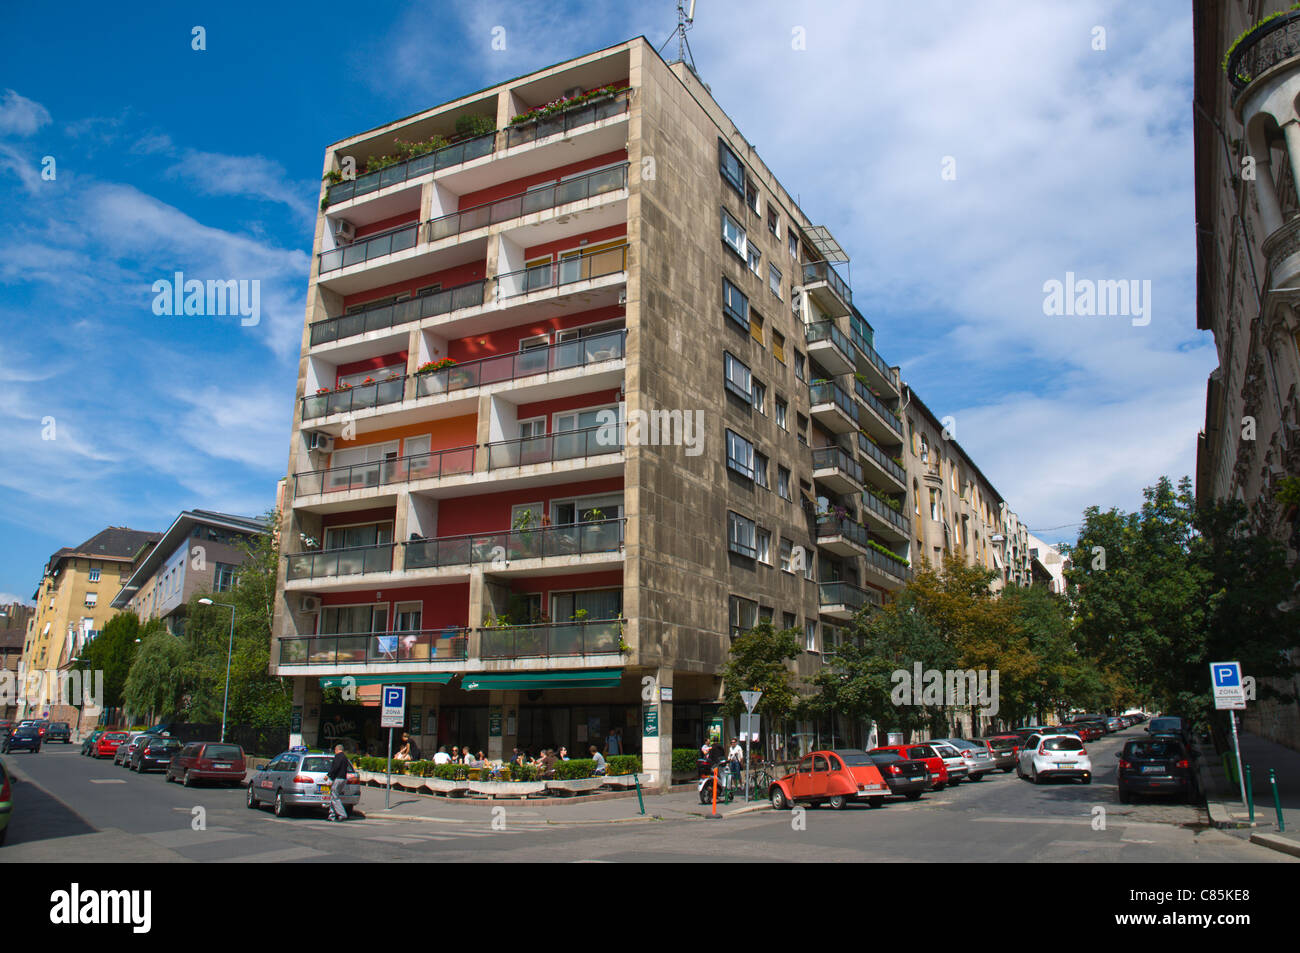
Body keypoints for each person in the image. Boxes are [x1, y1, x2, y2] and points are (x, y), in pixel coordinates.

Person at [326, 744, 352, 822]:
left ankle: (342, 814)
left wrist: (329, 775)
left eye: (335, 750)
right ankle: (332, 815)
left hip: (338, 779)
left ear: (337, 749)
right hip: (343, 779)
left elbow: (335, 767)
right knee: (334, 796)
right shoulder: (345, 757)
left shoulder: (338, 757)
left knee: (335, 797)